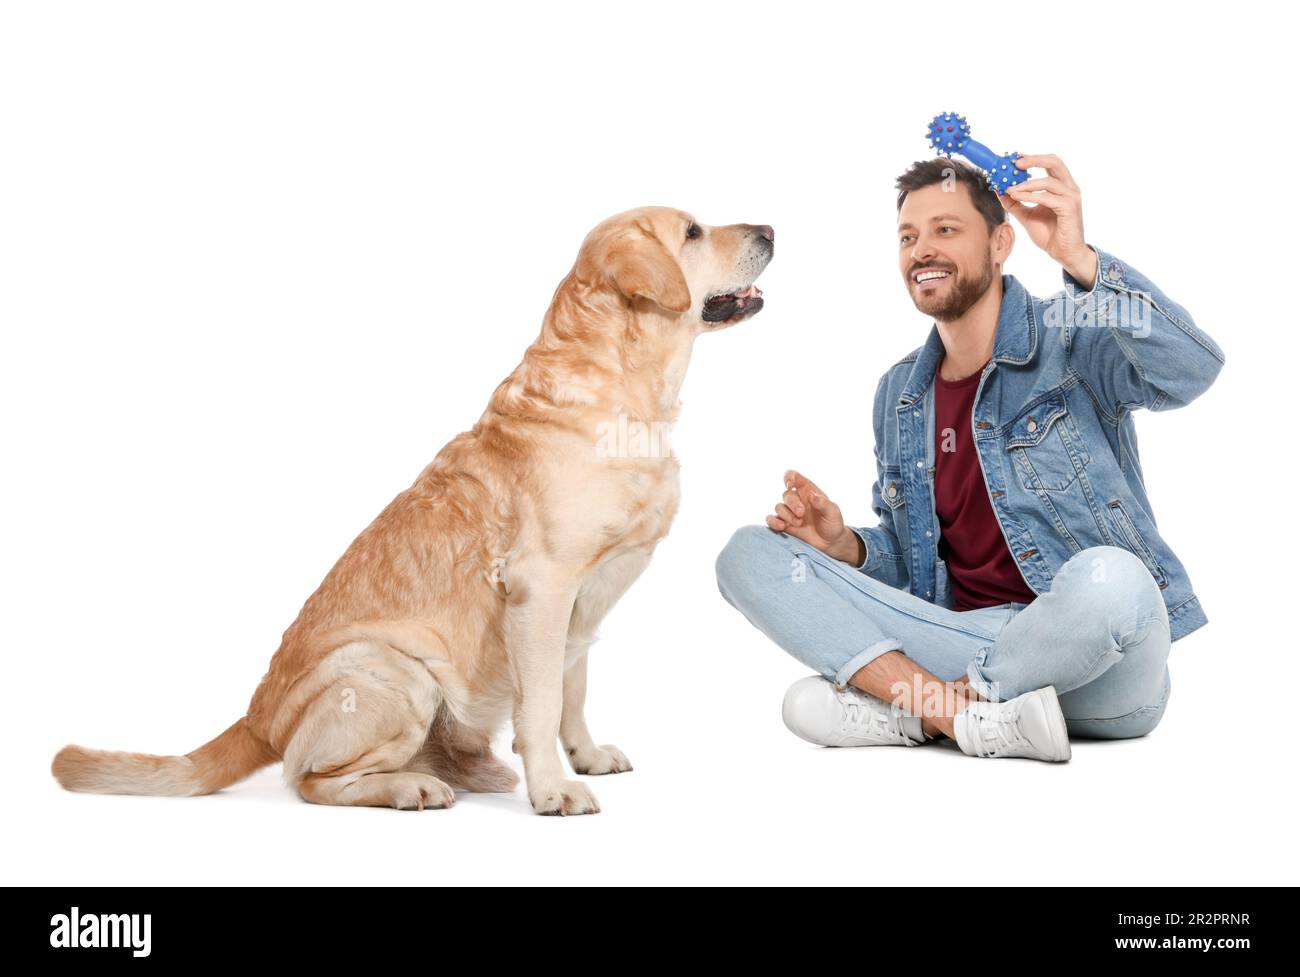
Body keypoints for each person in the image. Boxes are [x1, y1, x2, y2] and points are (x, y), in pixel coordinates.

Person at [714, 155, 1225, 761]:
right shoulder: (900, 393)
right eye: (909, 237)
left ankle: (926, 710)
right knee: (750, 553)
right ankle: (961, 714)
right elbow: (912, 565)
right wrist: (845, 549)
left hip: (1102, 660)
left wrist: (1078, 259)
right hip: (968, 635)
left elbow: (1193, 370)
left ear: (1002, 242)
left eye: (946, 230)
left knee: (1114, 579)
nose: (921, 250)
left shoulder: (1071, 338)